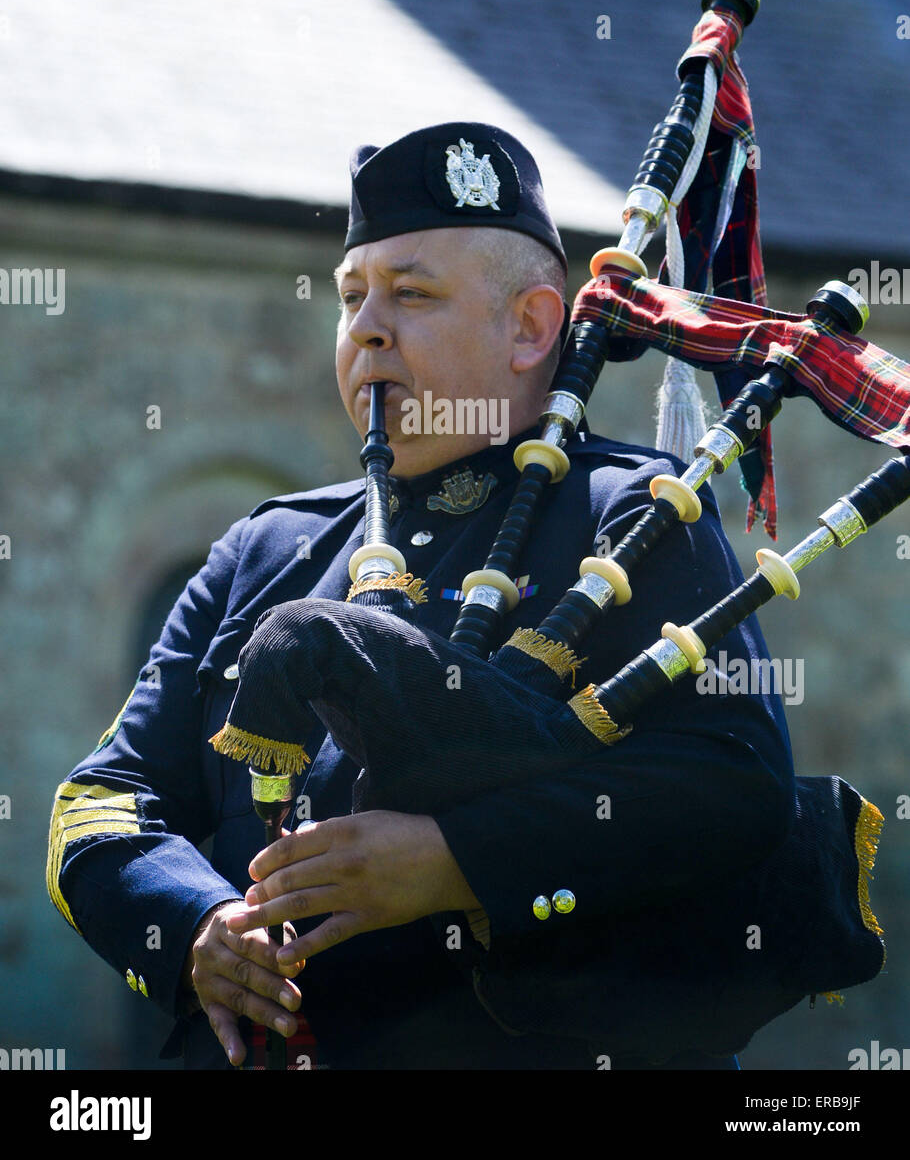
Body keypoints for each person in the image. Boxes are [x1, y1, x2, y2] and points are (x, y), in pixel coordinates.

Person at [47, 121, 794, 1070]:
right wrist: (198, 923)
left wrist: (456, 863)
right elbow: (104, 798)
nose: (365, 326)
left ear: (531, 327)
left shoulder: (639, 517)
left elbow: (735, 784)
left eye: (412, 294)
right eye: (351, 296)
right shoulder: (264, 550)